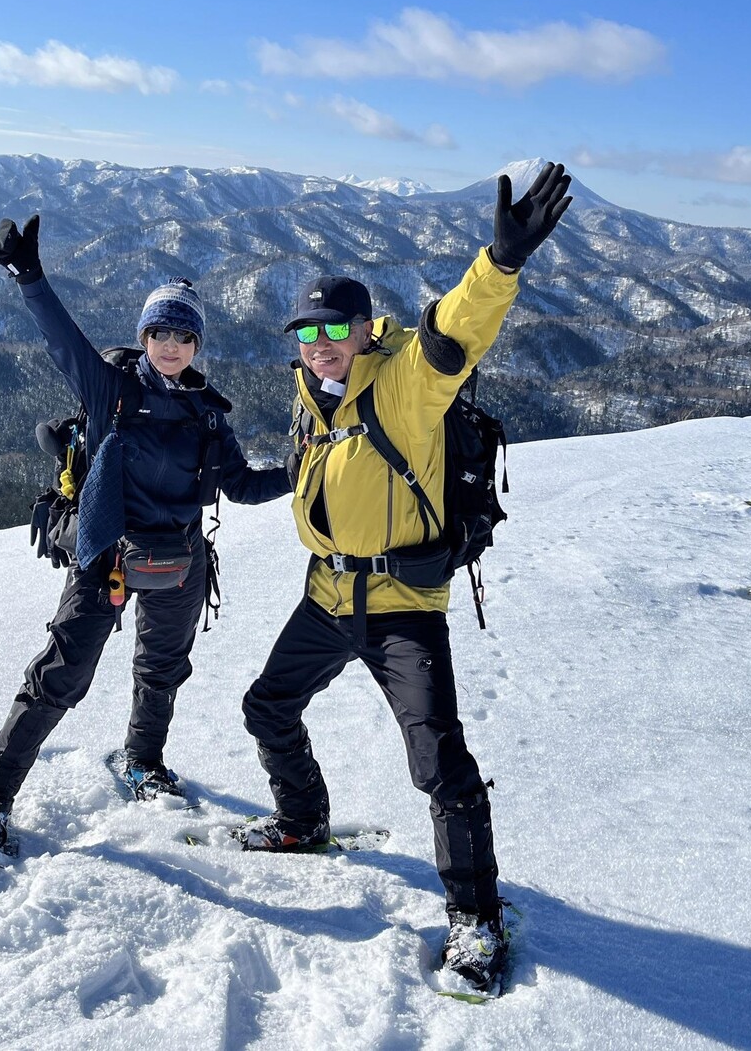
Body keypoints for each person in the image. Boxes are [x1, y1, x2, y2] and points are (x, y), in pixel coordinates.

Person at [238, 163, 572, 990]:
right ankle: (301, 821)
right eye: (305, 332)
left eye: (333, 329)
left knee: (438, 763)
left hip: (401, 606)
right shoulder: (312, 395)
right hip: (326, 595)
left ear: (364, 328)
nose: (319, 344)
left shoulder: (403, 387)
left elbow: (453, 335)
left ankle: (475, 919)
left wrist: (499, 263)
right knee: (267, 705)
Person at [0, 214, 291, 860]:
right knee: (59, 677)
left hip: (181, 557)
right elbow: (63, 341)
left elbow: (242, 486)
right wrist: (29, 277)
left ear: (197, 344)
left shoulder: (208, 417)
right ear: (143, 336)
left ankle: (142, 761)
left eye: (183, 335)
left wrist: (303, 470)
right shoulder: (112, 391)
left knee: (163, 668)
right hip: (105, 554)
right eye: (159, 332)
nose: (170, 345)